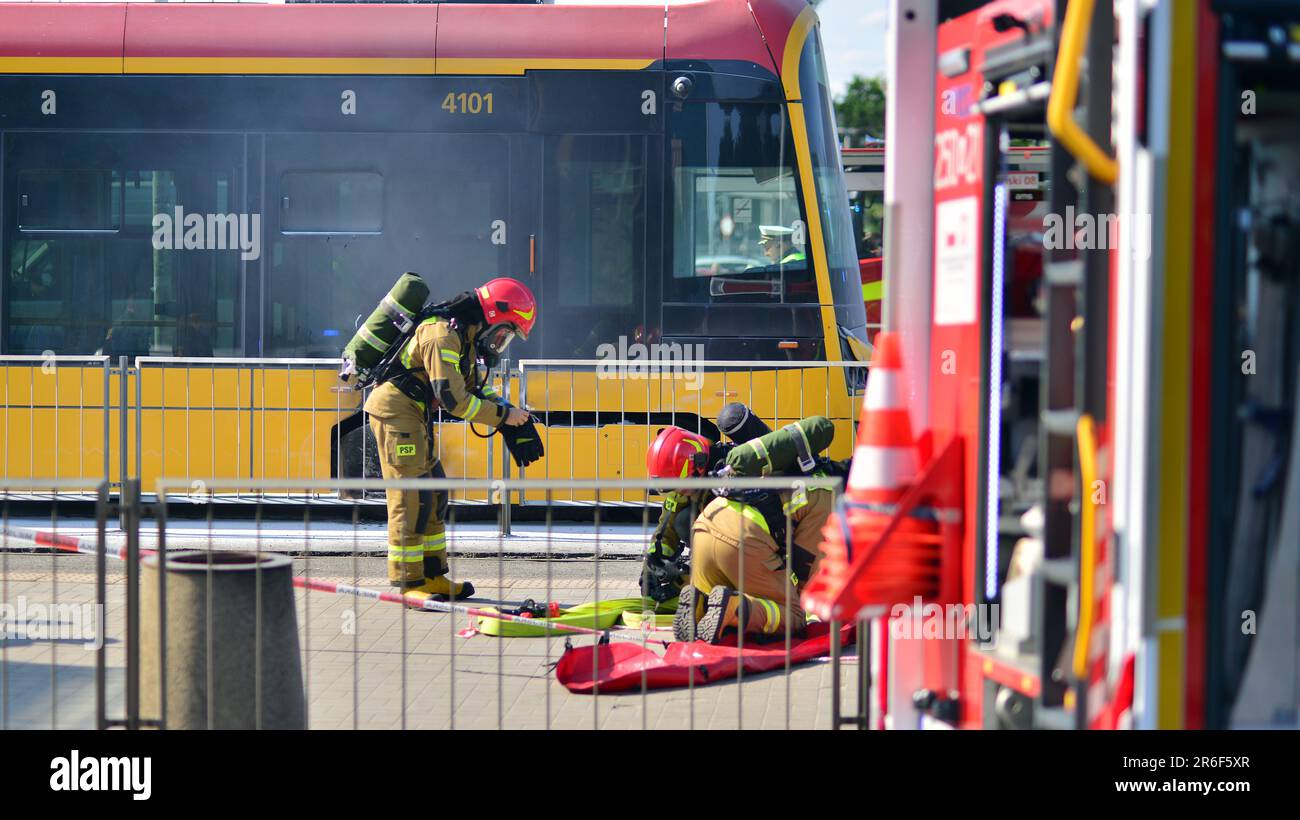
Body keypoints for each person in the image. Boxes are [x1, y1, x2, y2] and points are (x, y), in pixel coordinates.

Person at [364, 277, 536, 602]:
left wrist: (511, 413)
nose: (501, 341)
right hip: (395, 412)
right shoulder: (442, 334)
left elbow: (471, 388)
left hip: (414, 415)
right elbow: (453, 400)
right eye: (505, 331)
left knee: (434, 491)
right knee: (410, 497)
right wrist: (502, 418)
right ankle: (409, 584)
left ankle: (433, 576)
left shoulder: (464, 336)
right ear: (493, 316)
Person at [639, 403, 771, 607]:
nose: (678, 492)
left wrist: (689, 576)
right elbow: (668, 525)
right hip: (727, 543)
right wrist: (652, 564)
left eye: (679, 486)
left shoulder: (734, 474)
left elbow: (731, 536)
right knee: (683, 520)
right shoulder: (689, 477)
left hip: (759, 545)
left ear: (696, 468)